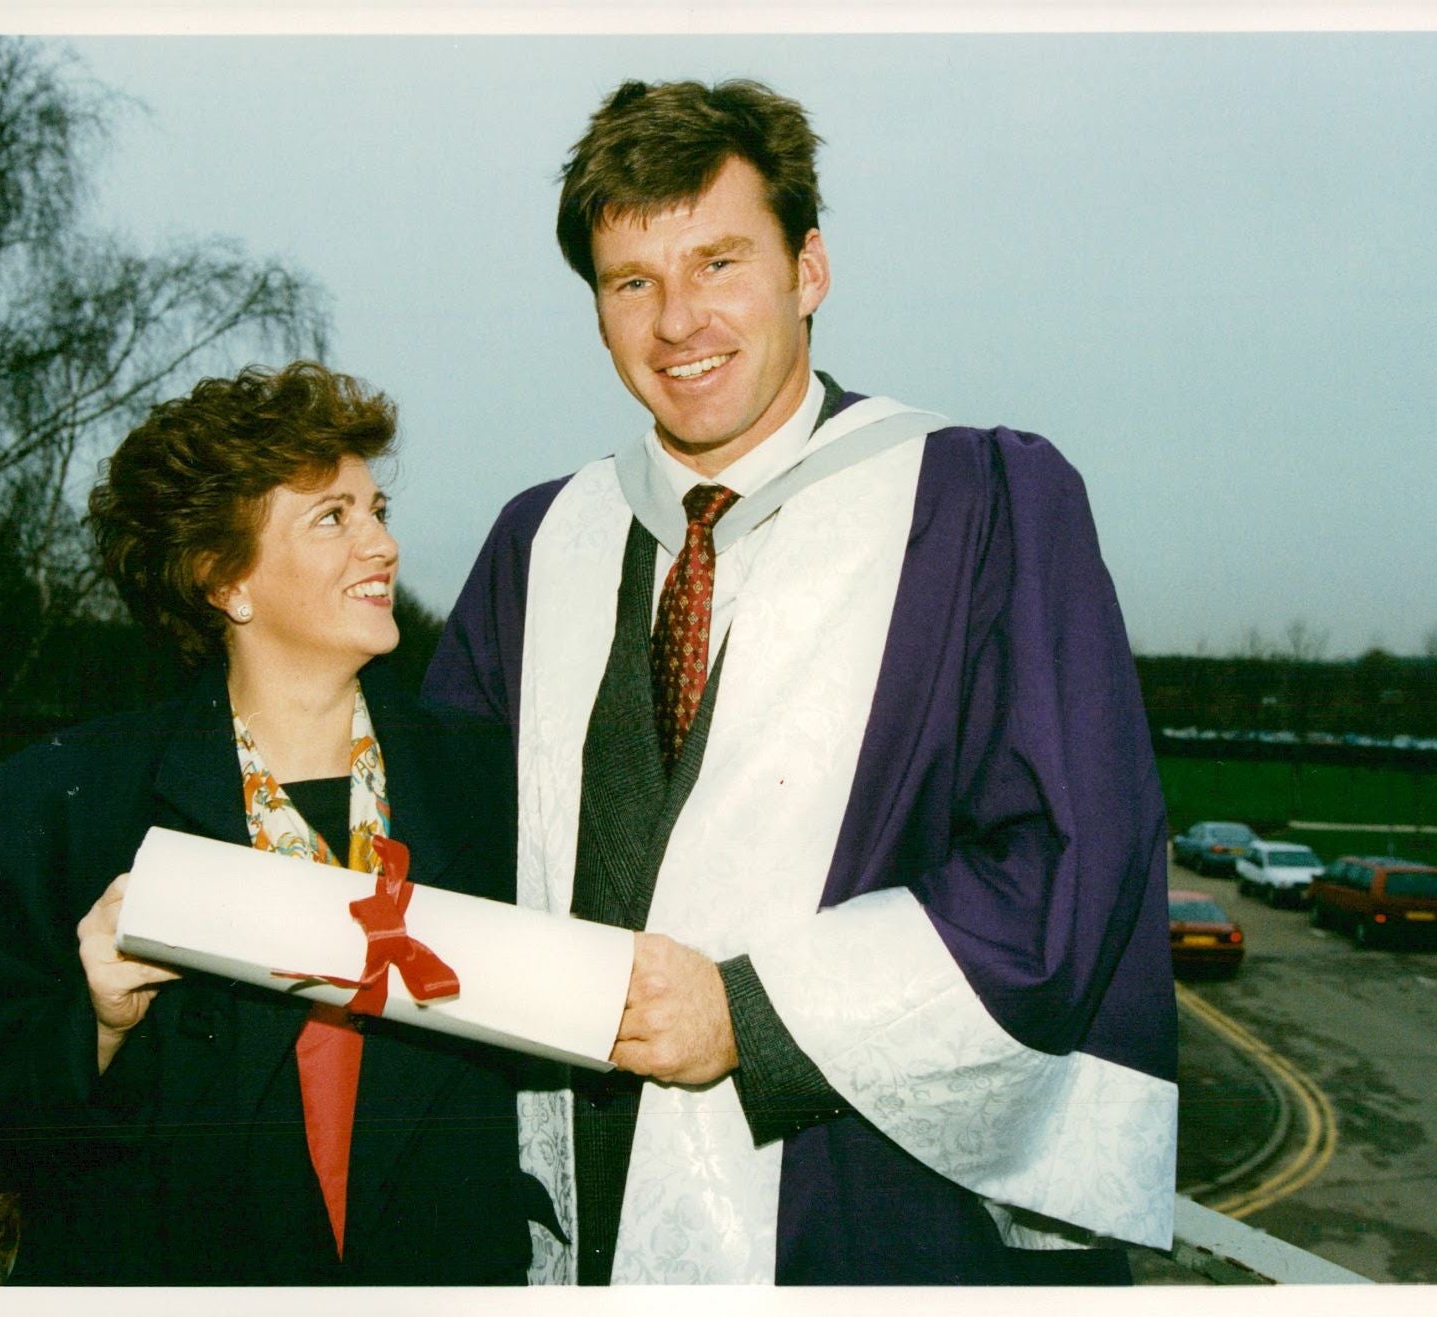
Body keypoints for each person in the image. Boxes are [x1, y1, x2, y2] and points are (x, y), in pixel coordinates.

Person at [423, 79, 1178, 1285]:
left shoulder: (977, 508)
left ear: (807, 269)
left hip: (868, 1207)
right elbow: (439, 854)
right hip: (579, 1212)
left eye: (719, 261)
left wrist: (751, 1015)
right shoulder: (537, 543)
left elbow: (1066, 867)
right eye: (632, 283)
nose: (677, 322)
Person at [0, 361, 541, 1285]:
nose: (383, 545)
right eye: (333, 517)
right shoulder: (65, 800)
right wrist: (97, 1025)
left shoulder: (487, 779)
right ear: (224, 577)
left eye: (377, 508)